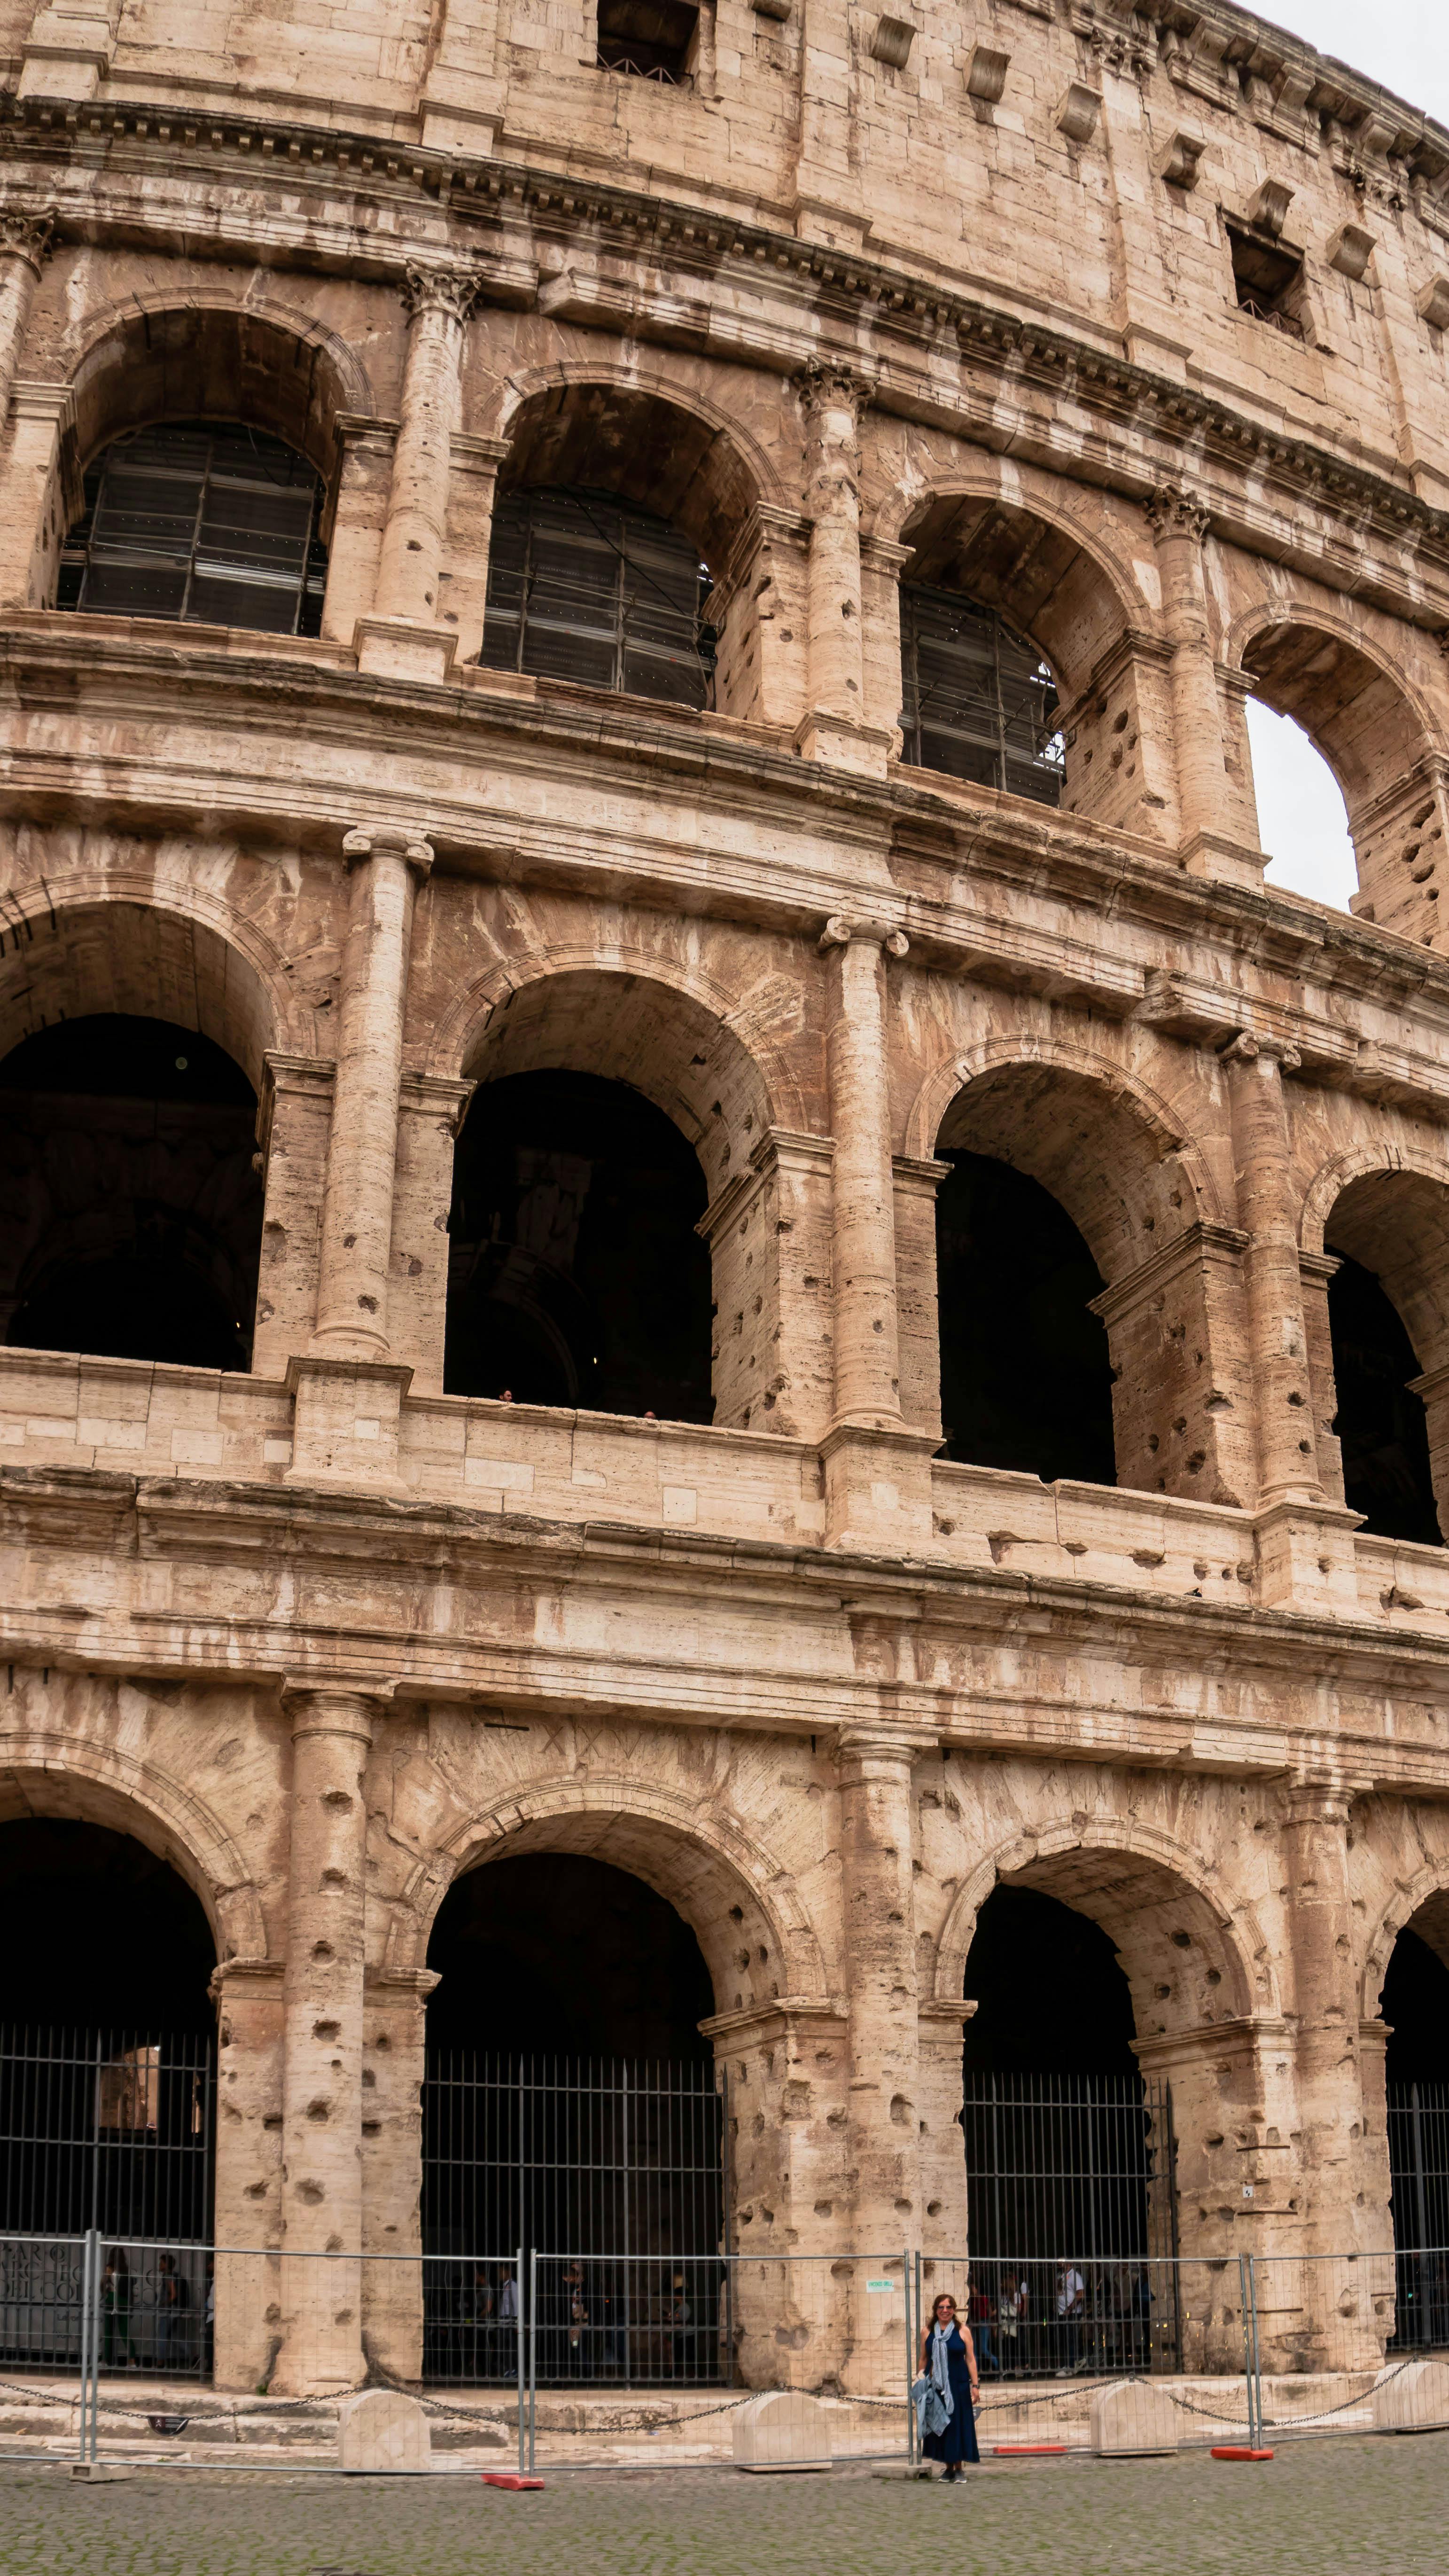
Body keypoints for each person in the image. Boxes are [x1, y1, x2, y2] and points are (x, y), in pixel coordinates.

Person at [919, 2291, 980, 2482]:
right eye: (941, 2307)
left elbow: (970, 2359)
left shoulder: (963, 2331)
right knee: (941, 2427)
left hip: (958, 2386)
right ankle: (948, 2468)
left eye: (949, 2307)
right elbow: (924, 2358)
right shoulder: (927, 2332)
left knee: (957, 2426)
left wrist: (975, 2385)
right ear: (935, 2310)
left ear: (954, 2310)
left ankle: (959, 2468)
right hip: (936, 2386)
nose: (945, 2311)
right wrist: (919, 2382)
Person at [101, 2248, 139, 2371]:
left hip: (111, 2301)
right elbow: (130, 2292)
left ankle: (106, 2361)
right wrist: (131, 2307)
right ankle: (132, 2362)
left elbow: (102, 2286)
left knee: (108, 2334)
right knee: (125, 2333)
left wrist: (107, 2279)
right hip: (124, 2302)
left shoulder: (110, 2268)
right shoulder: (125, 2270)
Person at [1054, 2261, 1085, 2375]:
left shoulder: (1075, 2276)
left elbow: (1080, 2294)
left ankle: (1071, 2366)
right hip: (1062, 2312)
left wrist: (1070, 2308)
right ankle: (1078, 2360)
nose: (1061, 2264)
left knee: (1070, 2340)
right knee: (1066, 2340)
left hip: (1072, 2313)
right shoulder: (1060, 2275)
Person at [996, 2271, 1027, 2377]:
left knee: (1011, 2345)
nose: (1001, 2284)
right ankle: (1008, 2368)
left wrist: (1006, 2309)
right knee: (1006, 2345)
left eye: (1003, 2282)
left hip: (1011, 2321)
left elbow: (1018, 2309)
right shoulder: (1003, 2295)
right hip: (1005, 2321)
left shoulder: (1015, 2295)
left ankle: (1012, 2368)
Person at [967, 2280, 996, 2374]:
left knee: (983, 2349)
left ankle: (999, 2368)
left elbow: (990, 2313)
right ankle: (975, 2372)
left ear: (977, 2289)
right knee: (974, 2350)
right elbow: (971, 2314)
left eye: (972, 2288)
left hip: (984, 2323)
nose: (971, 2290)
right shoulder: (972, 2300)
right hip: (975, 2324)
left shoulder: (983, 2298)